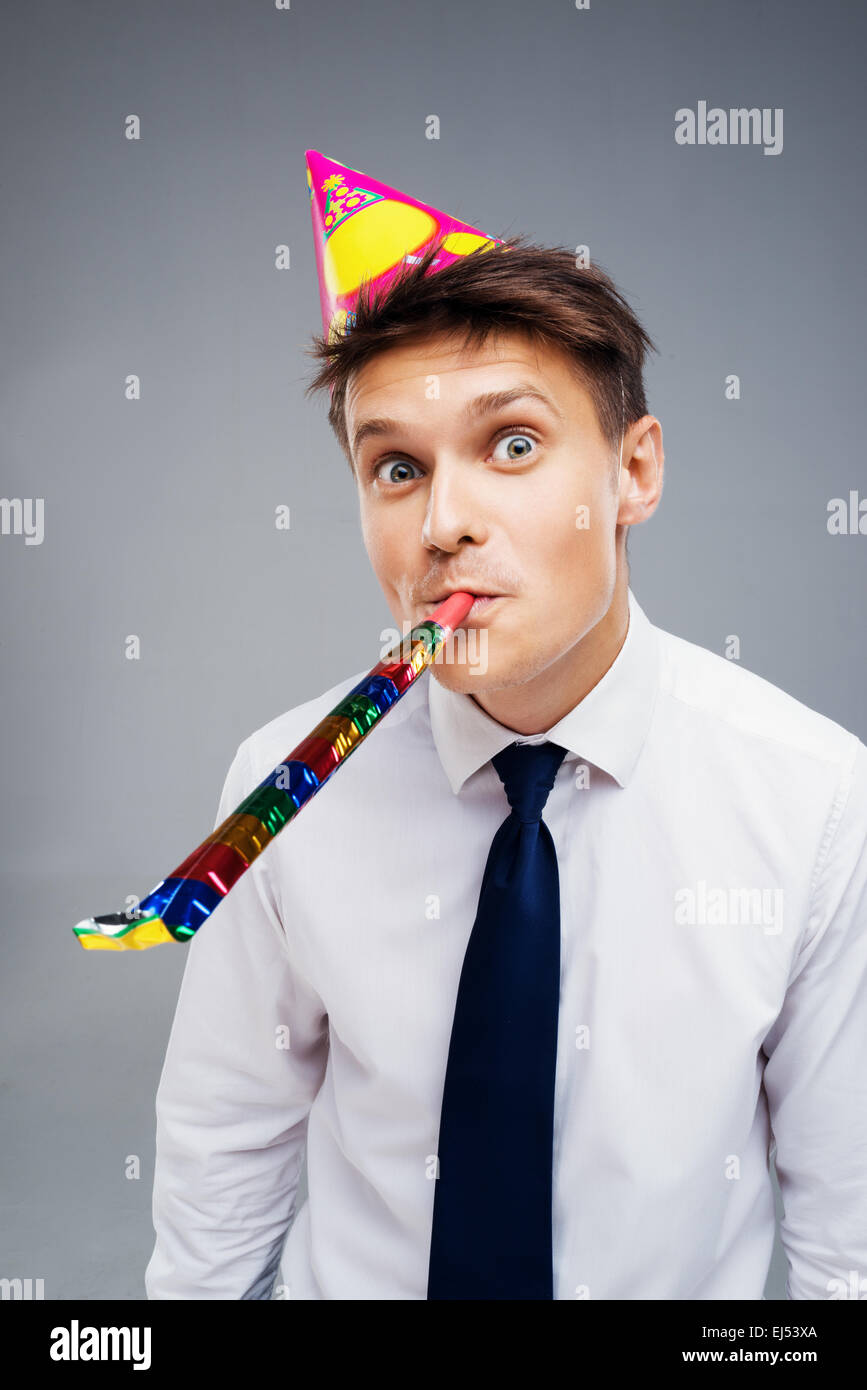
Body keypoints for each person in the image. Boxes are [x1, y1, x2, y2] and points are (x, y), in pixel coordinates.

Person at [144, 153, 867, 1301]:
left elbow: (850, 1241)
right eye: (395, 467)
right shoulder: (283, 787)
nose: (443, 523)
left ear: (634, 472)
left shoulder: (816, 800)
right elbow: (220, 1165)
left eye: (513, 447)